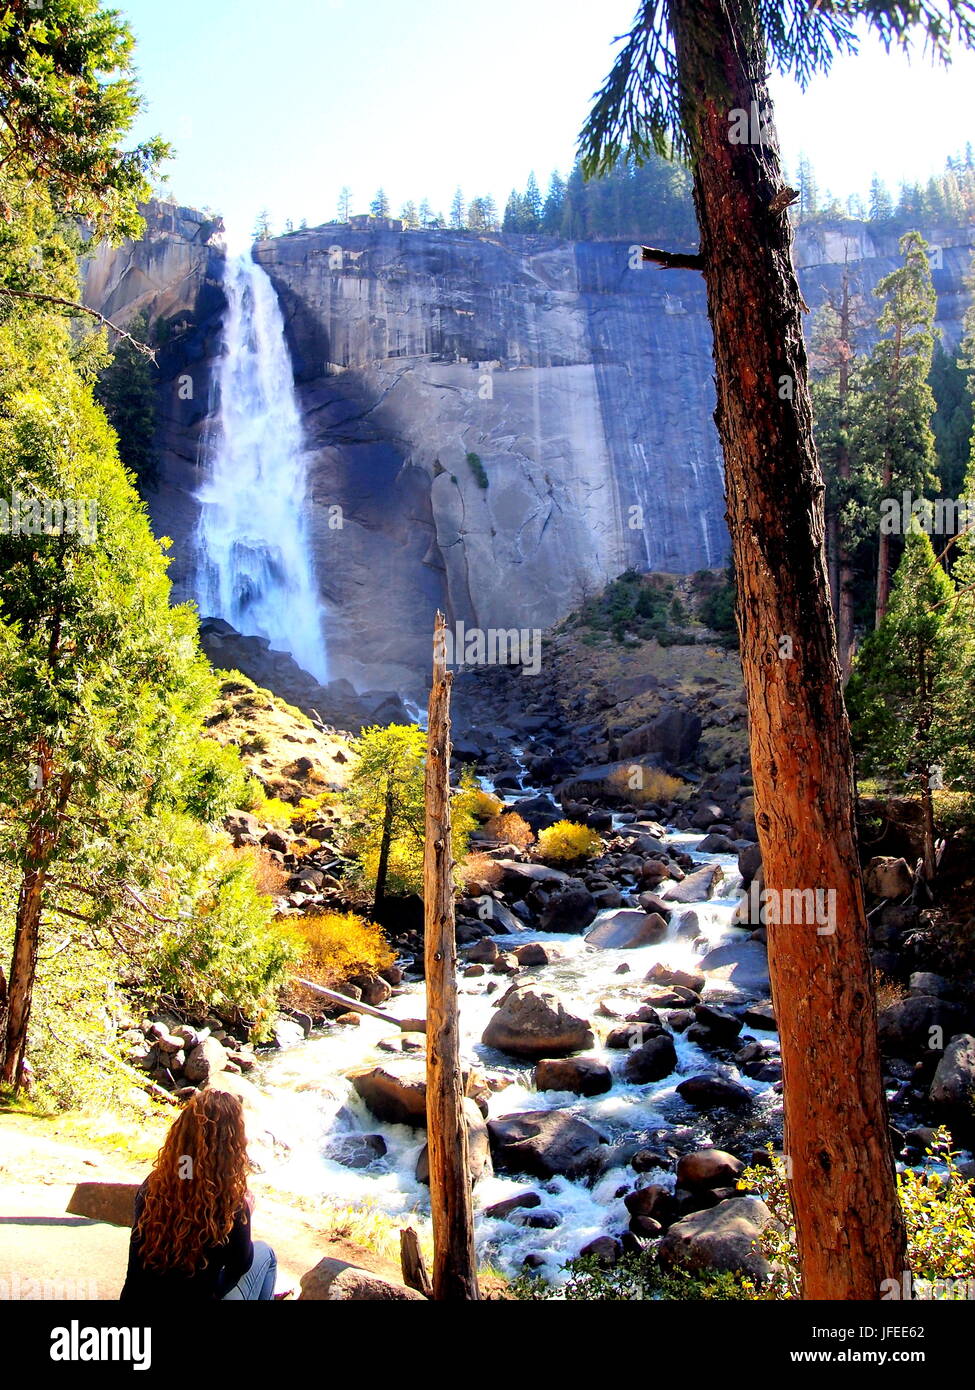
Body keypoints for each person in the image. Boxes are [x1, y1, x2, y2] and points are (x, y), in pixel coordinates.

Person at [120, 1088, 277, 1301]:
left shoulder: (154, 1185)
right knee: (266, 1255)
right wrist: (246, 1213)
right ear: (231, 1146)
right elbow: (240, 1265)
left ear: (182, 1134)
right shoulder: (230, 1203)